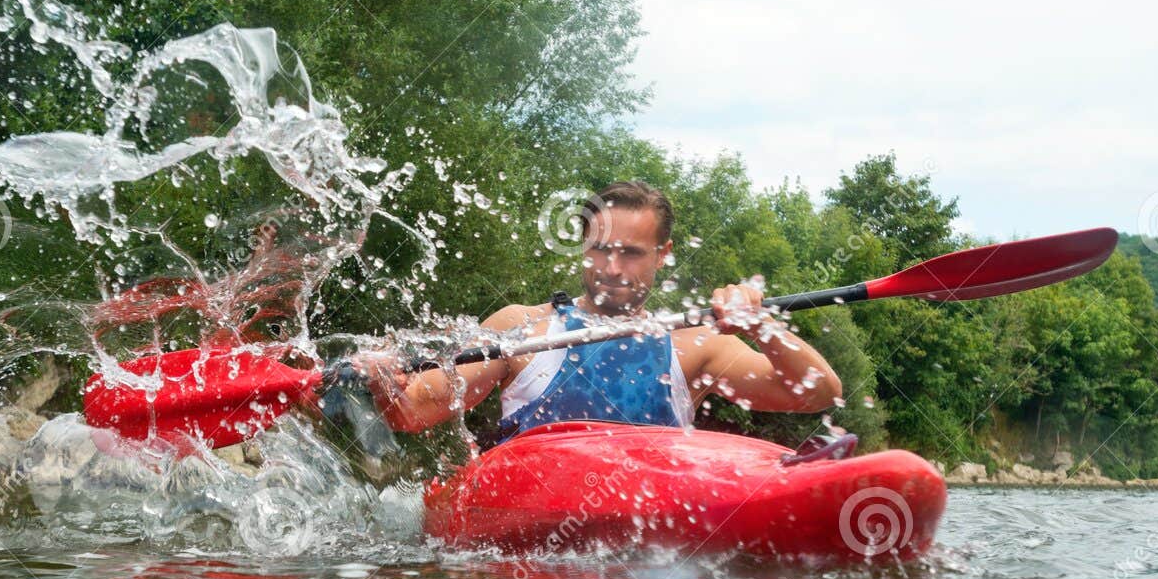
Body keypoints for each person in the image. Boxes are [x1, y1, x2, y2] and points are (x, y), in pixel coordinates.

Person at [360, 180, 843, 438]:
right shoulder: (522, 327)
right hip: (530, 555)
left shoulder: (695, 345)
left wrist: (761, 327)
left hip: (645, 556)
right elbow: (414, 413)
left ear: (663, 254)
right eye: (600, 250)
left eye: (630, 253)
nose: (611, 268)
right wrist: (384, 379)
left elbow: (819, 393)